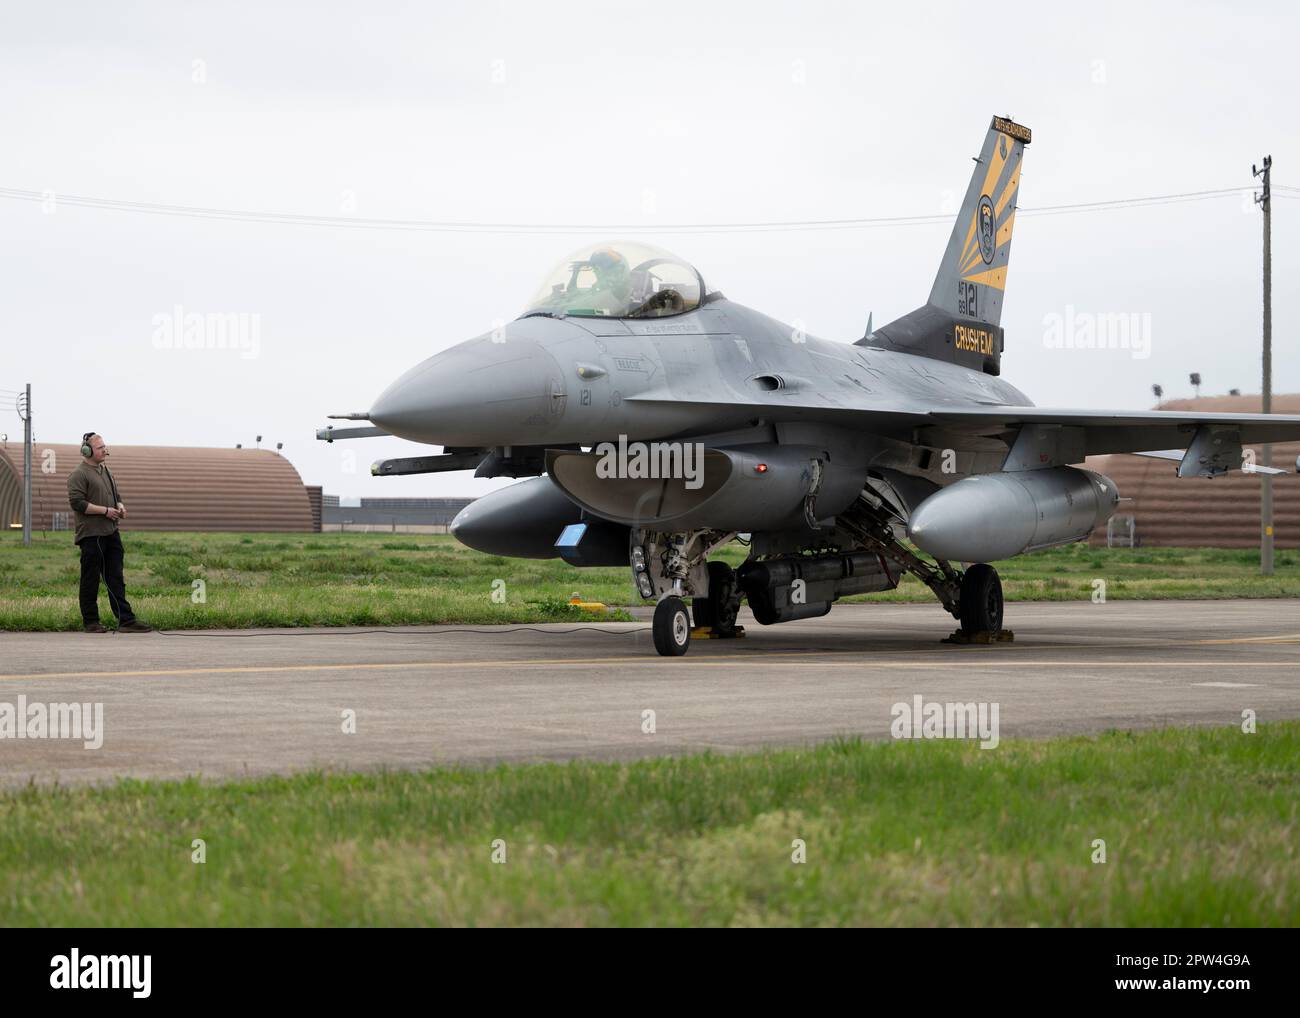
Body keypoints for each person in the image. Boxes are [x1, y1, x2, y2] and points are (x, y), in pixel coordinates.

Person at [66, 432, 152, 633]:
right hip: (92, 534)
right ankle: (91, 622)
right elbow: (77, 503)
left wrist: (120, 506)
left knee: (115, 577)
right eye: (100, 447)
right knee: (91, 579)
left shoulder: (106, 471)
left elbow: (116, 495)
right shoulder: (79, 474)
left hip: (111, 532)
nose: (105, 450)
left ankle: (126, 620)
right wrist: (105, 511)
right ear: (87, 451)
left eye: (104, 446)